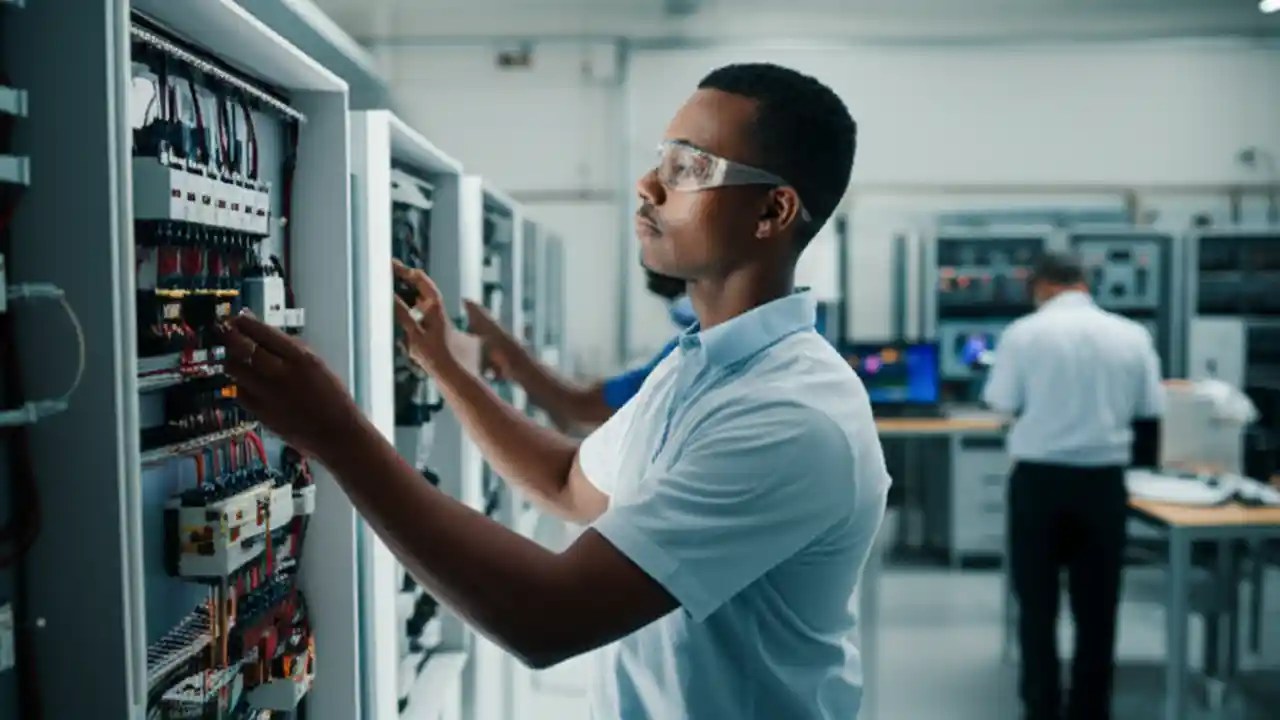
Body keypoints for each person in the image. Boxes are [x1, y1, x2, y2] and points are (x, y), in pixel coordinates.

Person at [220, 62, 887, 720]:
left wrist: (336, 434)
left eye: (689, 169)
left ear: (773, 210)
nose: (649, 186)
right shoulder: (698, 366)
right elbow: (571, 482)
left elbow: (548, 617)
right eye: (662, 159)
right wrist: (447, 367)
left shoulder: (790, 416)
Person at [982, 252, 1164, 720]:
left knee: (1037, 609)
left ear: (1040, 285)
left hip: (1039, 482)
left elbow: (1001, 401)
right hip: (1102, 485)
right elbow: (1149, 408)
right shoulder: (1132, 335)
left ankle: (1042, 708)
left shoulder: (1024, 334)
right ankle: (1091, 709)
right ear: (1084, 282)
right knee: (1098, 611)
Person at [464, 268, 697, 431]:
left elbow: (580, 409)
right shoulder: (697, 345)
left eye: (676, 295)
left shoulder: (694, 354)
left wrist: (500, 343)